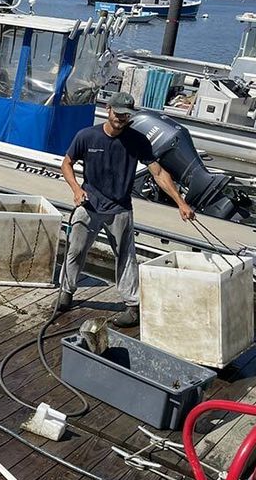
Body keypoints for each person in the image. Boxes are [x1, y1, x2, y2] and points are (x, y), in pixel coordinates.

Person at [59, 91, 195, 328]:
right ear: (108, 110)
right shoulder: (86, 136)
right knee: (75, 250)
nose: (122, 118)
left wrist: (181, 202)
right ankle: (66, 293)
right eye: (118, 113)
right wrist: (75, 189)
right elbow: (66, 163)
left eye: (127, 115)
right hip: (89, 204)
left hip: (121, 207)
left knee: (126, 257)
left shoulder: (138, 140)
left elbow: (159, 173)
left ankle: (132, 306)